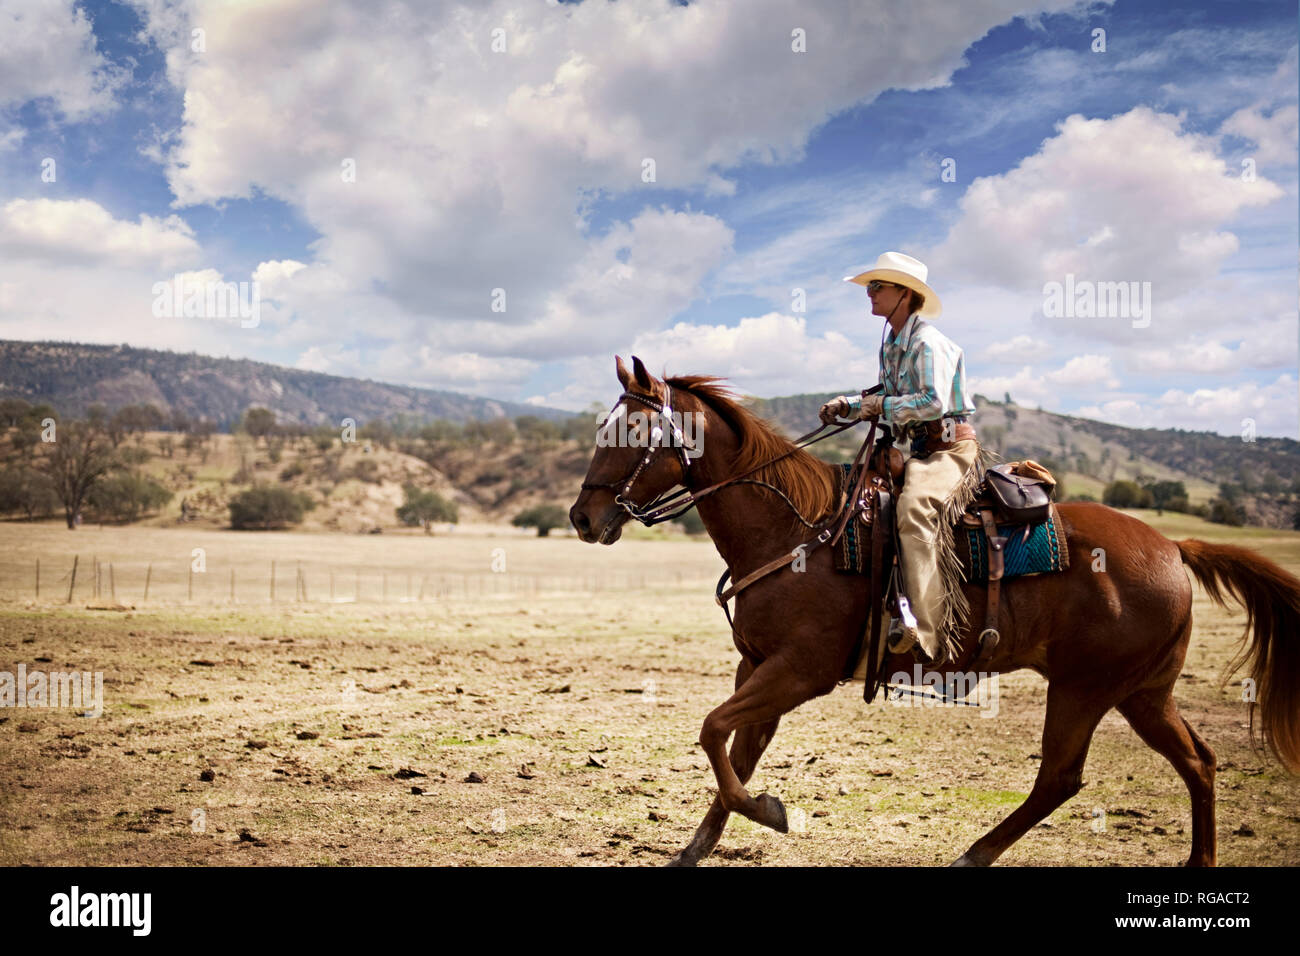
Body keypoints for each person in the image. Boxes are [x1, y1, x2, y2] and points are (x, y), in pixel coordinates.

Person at [819, 252, 982, 665]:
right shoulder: (892, 343)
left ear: (904, 294)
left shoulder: (928, 342)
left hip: (949, 450)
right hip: (920, 451)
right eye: (870, 286)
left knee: (914, 509)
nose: (870, 293)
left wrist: (875, 408)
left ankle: (927, 631)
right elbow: (885, 398)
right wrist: (849, 405)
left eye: (878, 286)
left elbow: (931, 403)